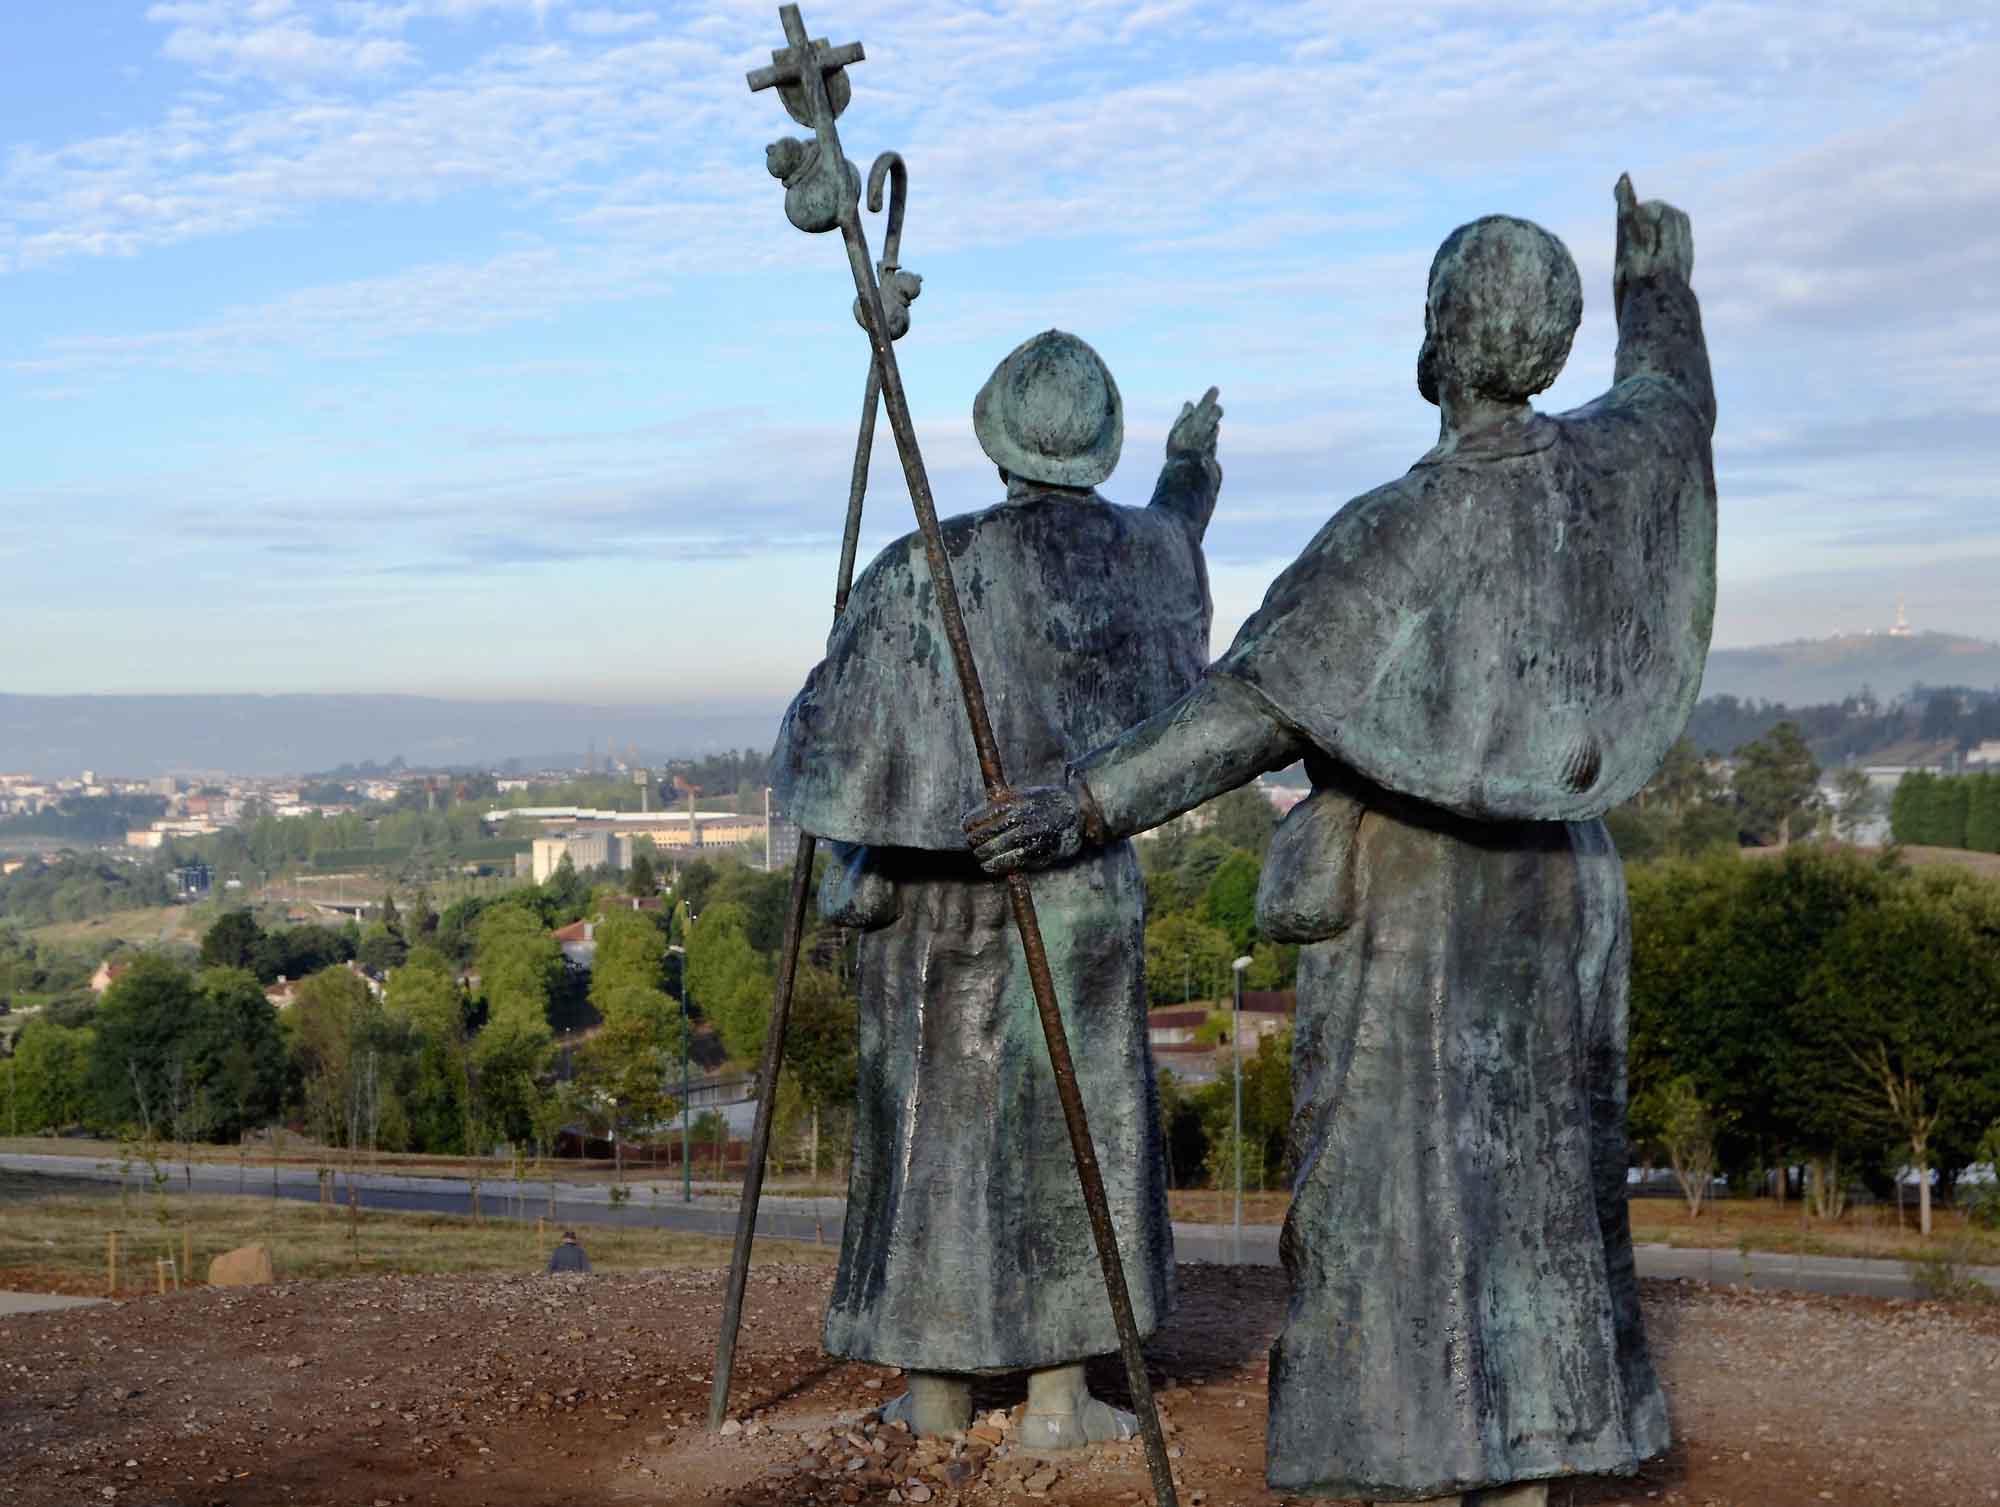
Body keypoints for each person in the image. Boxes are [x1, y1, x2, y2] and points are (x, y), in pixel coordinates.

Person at [968, 178, 1714, 1504]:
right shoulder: (1620, 465)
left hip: (1420, 896)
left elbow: (1248, 707)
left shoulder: (1400, 528)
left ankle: (1397, 1453)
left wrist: (1082, 803)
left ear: (1433, 338)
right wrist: (1657, 284)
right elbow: (1671, 391)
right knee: (1542, 1172)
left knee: (1392, 1179)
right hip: (1568, 890)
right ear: (1552, 343)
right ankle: (1535, 1450)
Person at [770, 330, 1223, 1447]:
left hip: (940, 906)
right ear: (1099, 448)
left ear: (996, 436)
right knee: (1076, 1140)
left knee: (938, 1136)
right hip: (1082, 895)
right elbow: (1169, 544)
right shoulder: (1142, 558)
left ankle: (933, 1391)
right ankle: (1060, 1396)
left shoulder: (927, 562)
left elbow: (826, 744)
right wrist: (1189, 471)